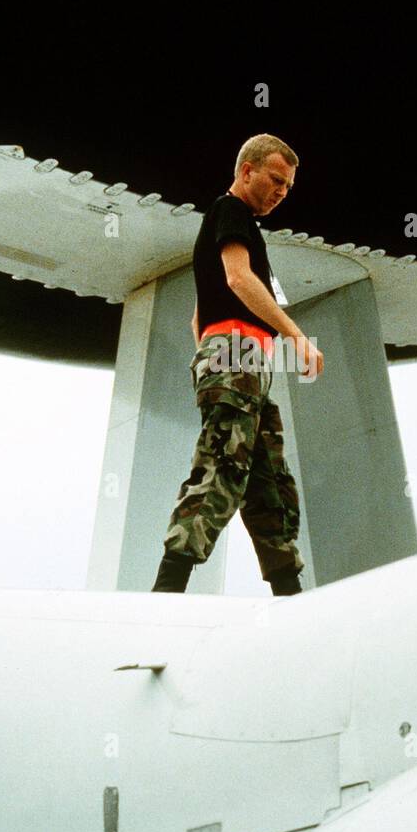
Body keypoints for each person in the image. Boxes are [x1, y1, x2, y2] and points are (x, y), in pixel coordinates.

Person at [152, 133, 324, 596]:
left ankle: (289, 594)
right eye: (274, 180)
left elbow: (198, 314)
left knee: (269, 481)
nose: (280, 193)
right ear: (246, 171)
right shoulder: (230, 211)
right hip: (237, 354)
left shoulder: (239, 224)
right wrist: (296, 338)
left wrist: (212, 359)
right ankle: (164, 596)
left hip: (244, 361)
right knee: (223, 464)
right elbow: (238, 278)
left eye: (287, 187)